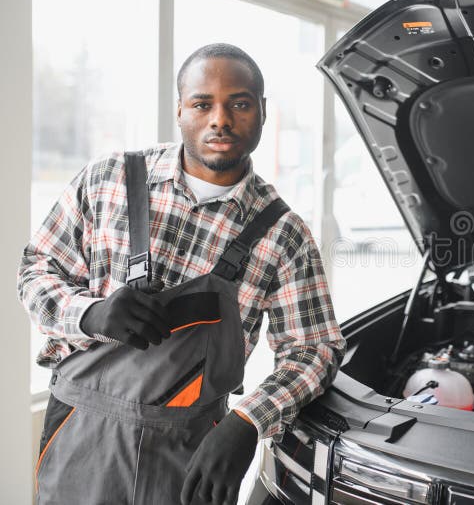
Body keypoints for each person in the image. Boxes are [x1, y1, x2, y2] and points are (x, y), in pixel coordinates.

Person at [18, 43, 345, 505]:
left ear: (263, 112)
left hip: (194, 454)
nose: (221, 119)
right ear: (179, 110)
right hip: (81, 431)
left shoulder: (283, 233)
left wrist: (248, 422)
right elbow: (36, 269)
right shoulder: (107, 179)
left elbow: (316, 349)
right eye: (202, 103)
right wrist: (89, 314)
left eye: (240, 103)